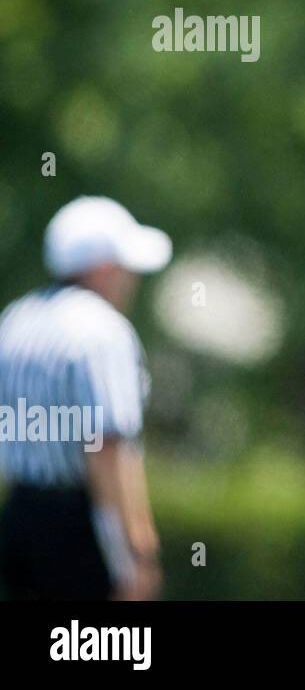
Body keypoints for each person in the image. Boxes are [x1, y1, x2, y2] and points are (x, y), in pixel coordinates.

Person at [0, 196, 170, 600]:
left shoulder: (16, 319)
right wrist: (138, 551)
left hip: (19, 514)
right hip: (81, 529)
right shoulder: (101, 331)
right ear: (102, 269)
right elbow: (108, 449)